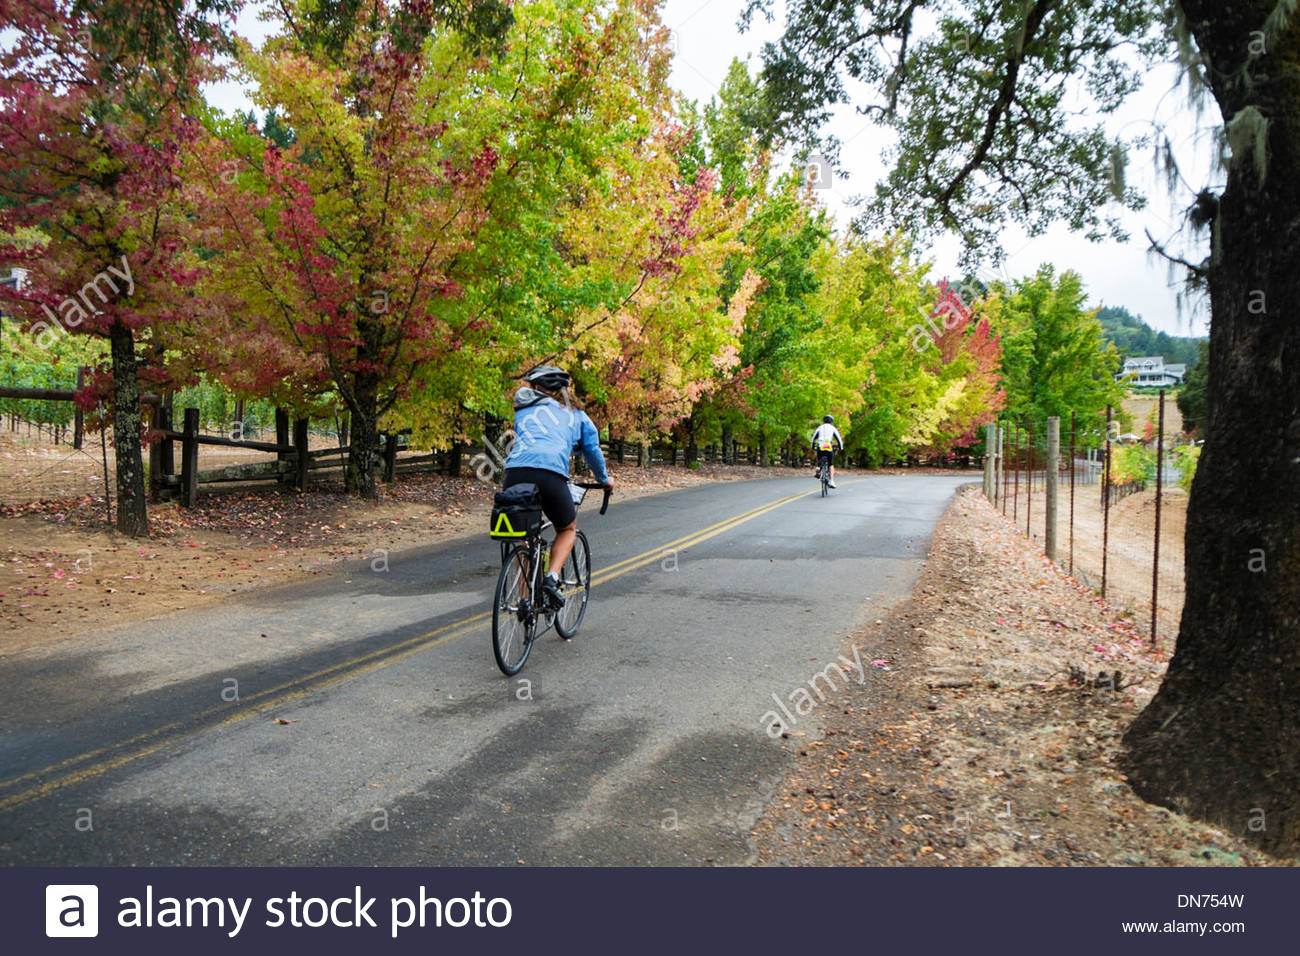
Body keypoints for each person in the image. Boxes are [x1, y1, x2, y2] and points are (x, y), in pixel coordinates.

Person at [502, 365, 613, 613]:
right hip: (550, 474)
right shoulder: (576, 414)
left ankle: (525, 600)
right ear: (564, 389)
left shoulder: (523, 409)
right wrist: (604, 479)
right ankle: (552, 577)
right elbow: (592, 449)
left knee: (523, 539)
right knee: (567, 527)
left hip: (515, 473)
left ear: (534, 388)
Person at [810, 414, 844, 488]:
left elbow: (813, 439)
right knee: (831, 464)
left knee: (820, 458)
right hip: (828, 446)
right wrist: (841, 448)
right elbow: (839, 439)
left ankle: (818, 467)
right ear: (831, 422)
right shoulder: (833, 428)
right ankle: (831, 481)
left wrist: (812, 447)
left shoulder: (819, 428)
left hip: (820, 446)